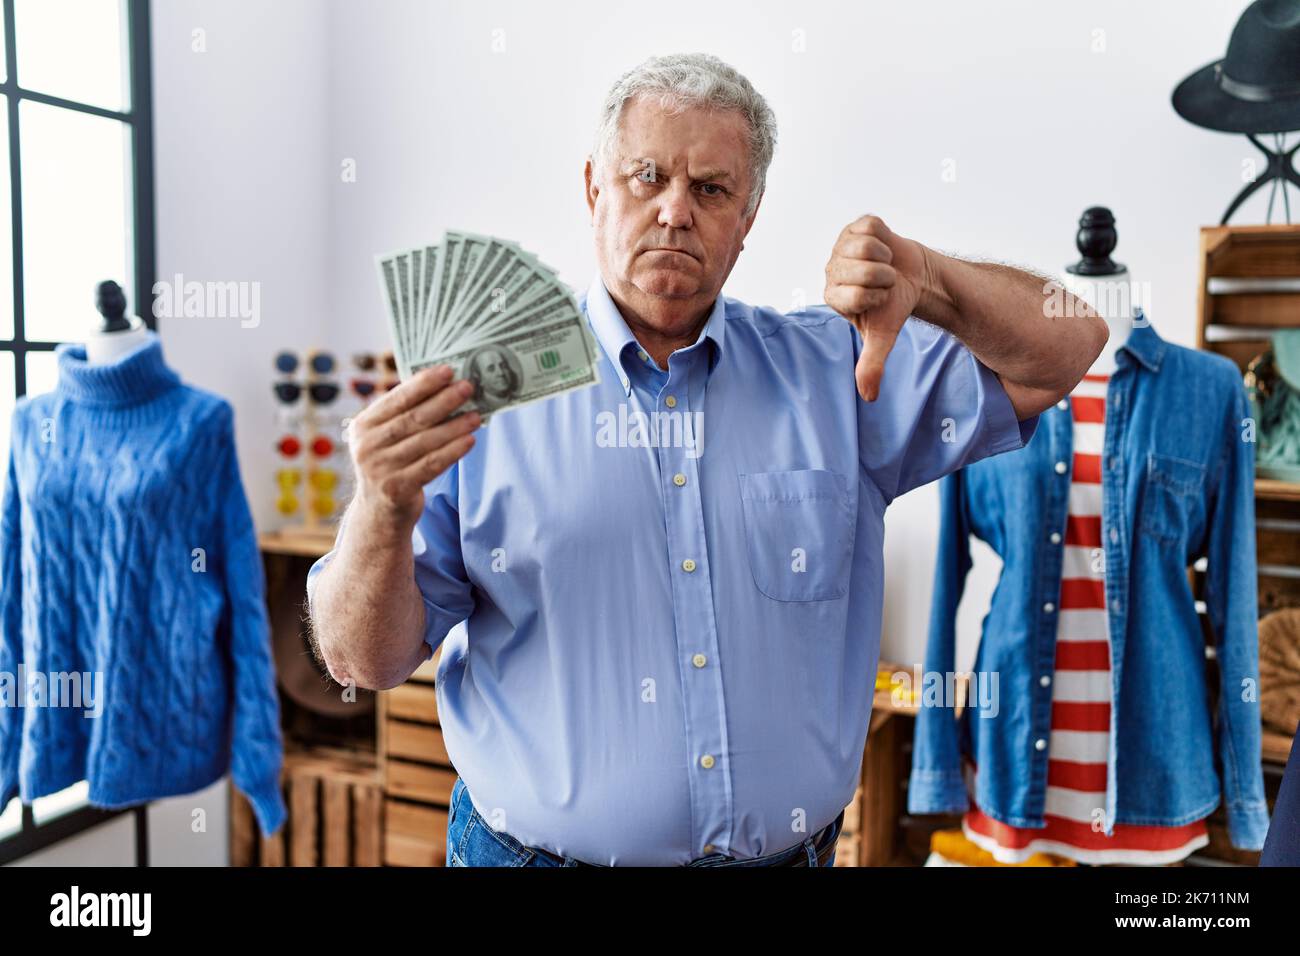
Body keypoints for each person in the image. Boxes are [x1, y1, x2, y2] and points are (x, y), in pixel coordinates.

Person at [307, 52, 1106, 867]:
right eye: (646, 177)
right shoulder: (477, 397)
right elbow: (361, 660)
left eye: (711, 190)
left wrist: (928, 277)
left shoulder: (840, 370)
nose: (674, 212)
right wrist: (380, 508)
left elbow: (1069, 348)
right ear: (594, 188)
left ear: (748, 217)